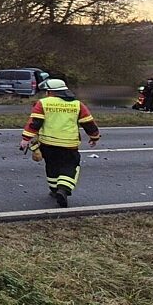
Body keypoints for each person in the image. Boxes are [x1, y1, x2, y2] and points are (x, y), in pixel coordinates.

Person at [19, 78, 100, 208]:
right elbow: (88, 123)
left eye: (47, 91)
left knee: (51, 165)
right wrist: (94, 137)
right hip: (69, 144)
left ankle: (54, 189)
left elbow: (35, 123)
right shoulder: (77, 104)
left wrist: (26, 139)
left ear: (51, 92)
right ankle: (63, 189)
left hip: (47, 144)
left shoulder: (43, 103)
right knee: (70, 166)